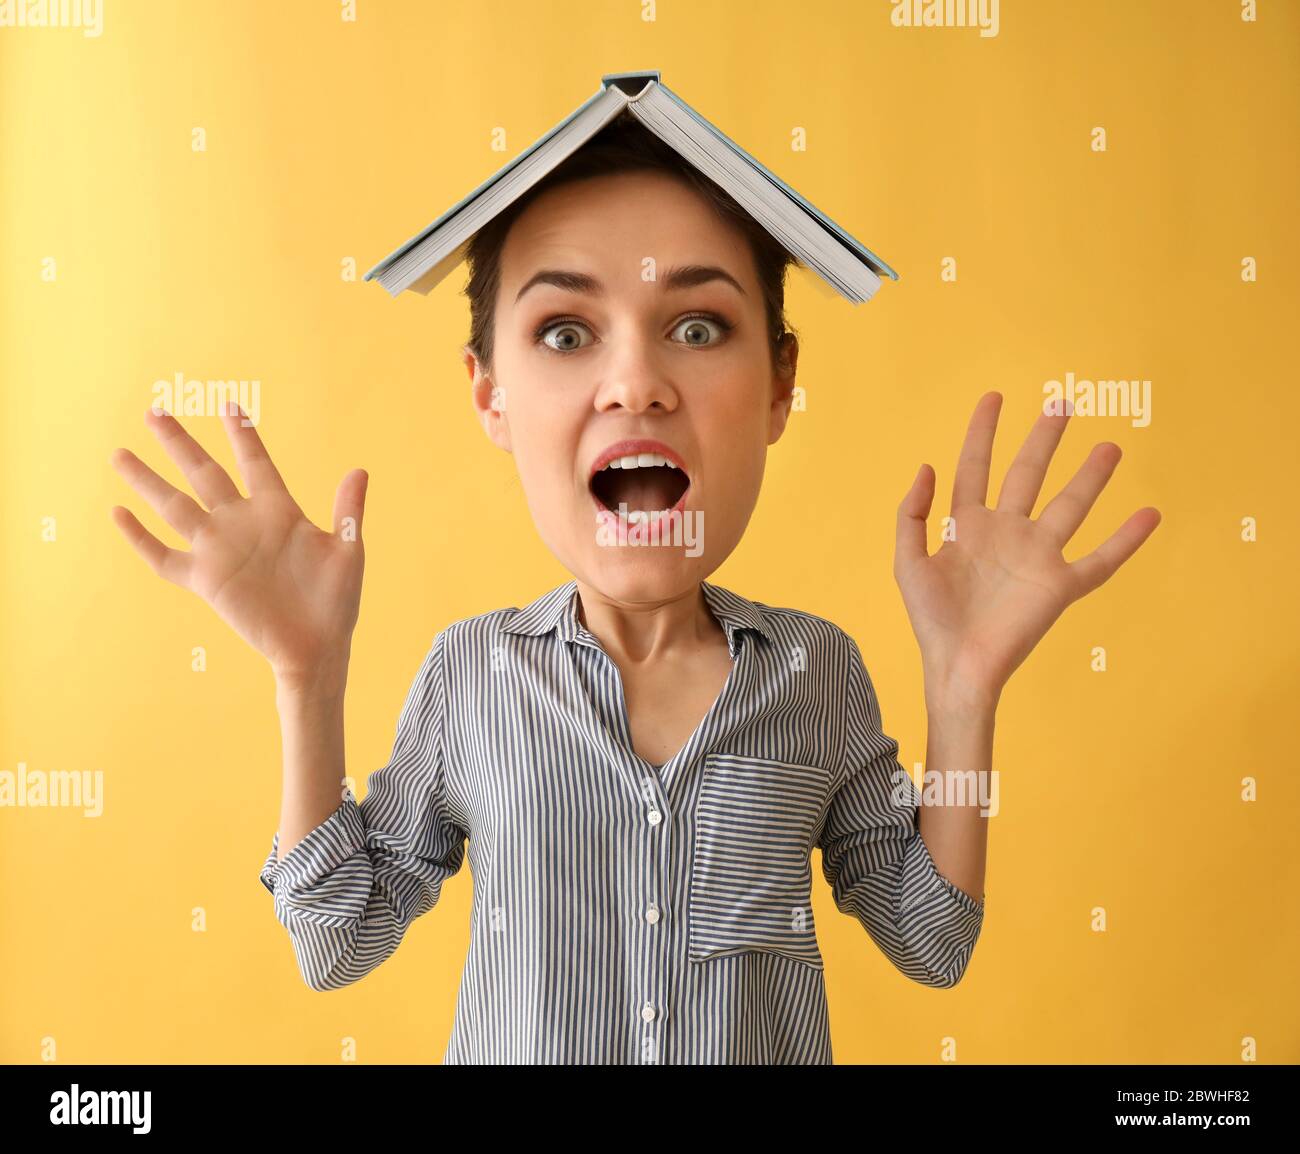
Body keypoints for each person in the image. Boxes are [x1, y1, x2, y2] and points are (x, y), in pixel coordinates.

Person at [108, 115, 1160, 1063]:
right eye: (565, 333)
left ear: (781, 384)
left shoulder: (817, 673)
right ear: (490, 393)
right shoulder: (469, 675)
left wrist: (965, 692)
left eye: (697, 328)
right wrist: (307, 679)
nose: (636, 383)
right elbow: (335, 942)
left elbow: (932, 942)